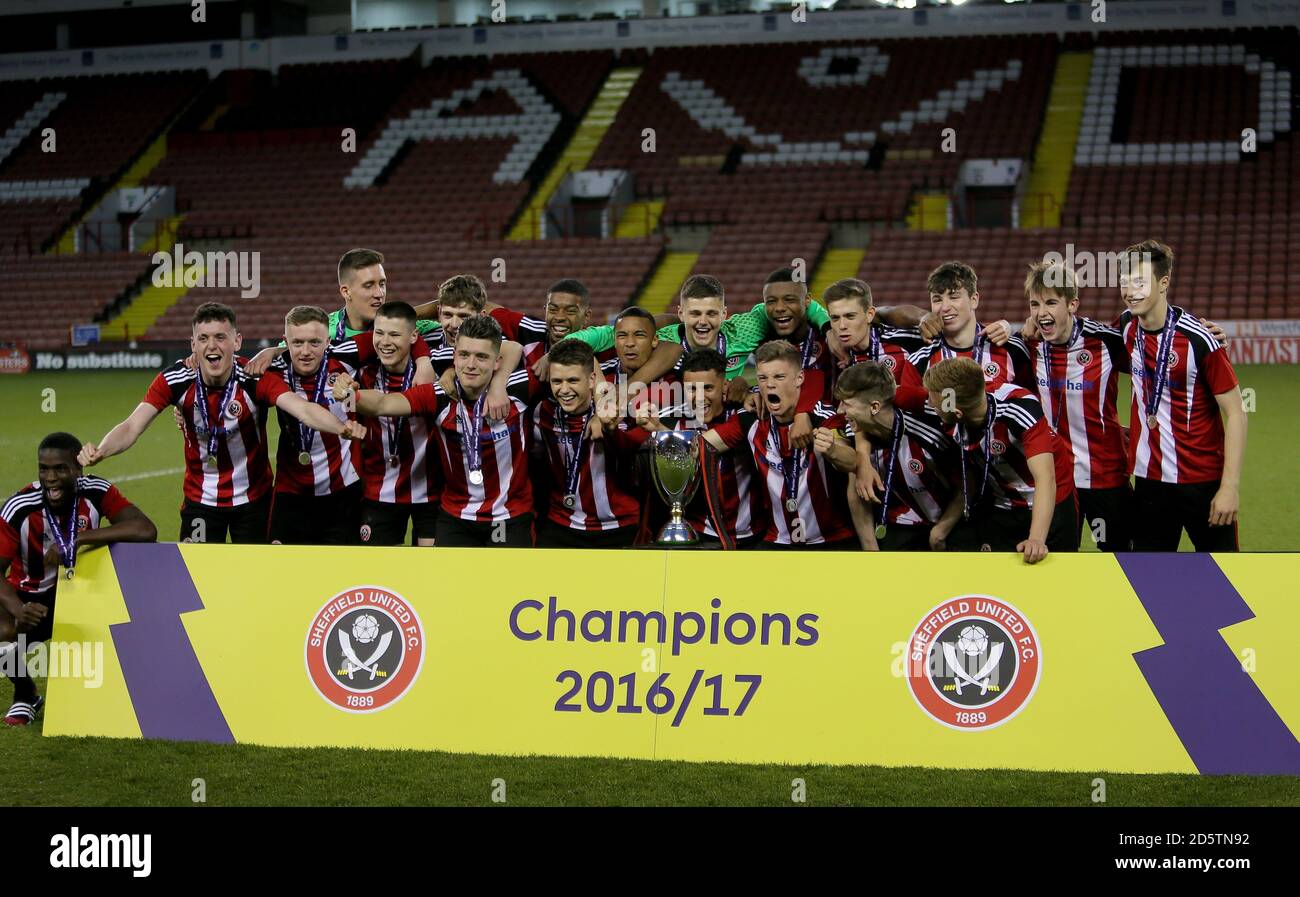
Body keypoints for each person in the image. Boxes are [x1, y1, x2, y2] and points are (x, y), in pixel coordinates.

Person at [78, 303, 364, 543]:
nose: (212, 346)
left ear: (237, 341)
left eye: (220, 337)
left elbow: (302, 409)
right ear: (193, 344)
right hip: (201, 501)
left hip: (254, 501)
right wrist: (101, 450)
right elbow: (132, 425)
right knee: (196, 578)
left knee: (258, 580)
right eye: (203, 339)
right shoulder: (175, 379)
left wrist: (340, 428)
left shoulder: (255, 378)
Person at [1, 433, 157, 725]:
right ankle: (25, 694)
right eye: (44, 469)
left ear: (77, 469)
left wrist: (79, 539)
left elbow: (145, 530)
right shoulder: (20, 507)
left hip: (83, 593)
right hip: (30, 599)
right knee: (1, 630)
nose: (51, 477)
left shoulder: (96, 491)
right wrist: (18, 609)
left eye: (60, 468)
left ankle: (118, 691)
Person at [344, 314, 535, 548]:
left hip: (510, 517)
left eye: (482, 357)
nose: (471, 364)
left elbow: (569, 371)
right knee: (447, 584)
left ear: (497, 362)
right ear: (454, 356)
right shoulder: (439, 395)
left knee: (506, 584)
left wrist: (596, 402)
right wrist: (352, 396)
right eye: (464, 355)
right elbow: (384, 403)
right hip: (456, 518)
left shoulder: (521, 387)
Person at [1116, 240, 1245, 551]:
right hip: (1150, 482)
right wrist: (1029, 326)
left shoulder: (1200, 339)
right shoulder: (1125, 327)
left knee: (1228, 578)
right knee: (1150, 582)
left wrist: (1229, 487)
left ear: (1163, 283)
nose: (1130, 291)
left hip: (1202, 483)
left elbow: (1237, 412)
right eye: (1124, 282)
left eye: (1140, 282)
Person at [912, 357, 1077, 563]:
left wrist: (1035, 539)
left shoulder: (1020, 409)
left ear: (957, 413)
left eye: (932, 402)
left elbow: (1046, 478)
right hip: (1003, 504)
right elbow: (891, 396)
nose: (928, 403)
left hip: (1050, 503)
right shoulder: (955, 398)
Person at [698, 341, 862, 549]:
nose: (770, 385)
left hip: (832, 539)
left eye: (779, 377)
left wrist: (832, 449)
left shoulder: (824, 417)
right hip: (777, 540)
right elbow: (702, 446)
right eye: (763, 378)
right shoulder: (750, 420)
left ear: (799, 378)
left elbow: (852, 461)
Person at [1017, 260, 1133, 551]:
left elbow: (1154, 359)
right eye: (1035, 304)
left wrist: (1206, 331)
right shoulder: (1027, 345)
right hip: (1054, 481)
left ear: (1072, 304)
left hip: (1104, 477)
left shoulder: (1106, 341)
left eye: (1051, 303)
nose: (1042, 313)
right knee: (1056, 561)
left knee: (1121, 561)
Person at [260, 306, 368, 545]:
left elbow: (397, 331)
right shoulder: (273, 371)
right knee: (281, 572)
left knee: (342, 573)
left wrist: (426, 362)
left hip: (343, 490)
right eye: (297, 343)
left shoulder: (348, 358)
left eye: (315, 342)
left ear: (328, 341)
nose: (305, 351)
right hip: (291, 492)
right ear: (285, 341)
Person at [636, 348, 765, 548]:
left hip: (752, 535)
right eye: (691, 389)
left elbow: (700, 448)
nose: (699, 397)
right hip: (699, 534)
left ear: (724, 386)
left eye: (708, 388)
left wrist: (750, 391)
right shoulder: (670, 419)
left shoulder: (744, 415)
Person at [530, 339, 645, 548]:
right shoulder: (542, 413)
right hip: (562, 526)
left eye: (573, 380)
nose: (564, 390)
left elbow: (636, 450)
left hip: (620, 526)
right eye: (557, 381)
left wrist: (610, 430)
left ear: (592, 380)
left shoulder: (620, 411)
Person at [833, 362, 957, 551]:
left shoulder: (929, 432)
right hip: (900, 528)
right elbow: (856, 486)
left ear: (874, 407)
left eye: (847, 404)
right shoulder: (855, 427)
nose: (840, 410)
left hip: (948, 526)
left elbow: (967, 483)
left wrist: (942, 529)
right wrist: (870, 549)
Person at [907, 261, 1028, 390]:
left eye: (954, 297)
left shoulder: (1012, 349)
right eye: (937, 300)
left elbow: (1032, 401)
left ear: (974, 300)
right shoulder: (919, 361)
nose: (945, 308)